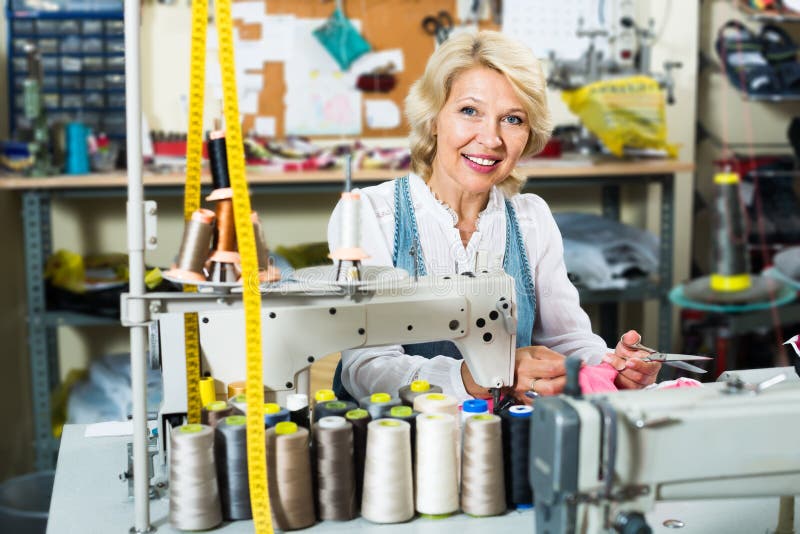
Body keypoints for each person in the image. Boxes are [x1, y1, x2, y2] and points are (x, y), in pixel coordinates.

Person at [327, 30, 660, 404]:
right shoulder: (371, 214)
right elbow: (366, 367)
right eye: (469, 111)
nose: (491, 138)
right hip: (399, 440)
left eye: (513, 119)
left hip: (504, 432)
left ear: (529, 133)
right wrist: (476, 377)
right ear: (434, 117)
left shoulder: (532, 218)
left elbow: (568, 340)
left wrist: (613, 366)